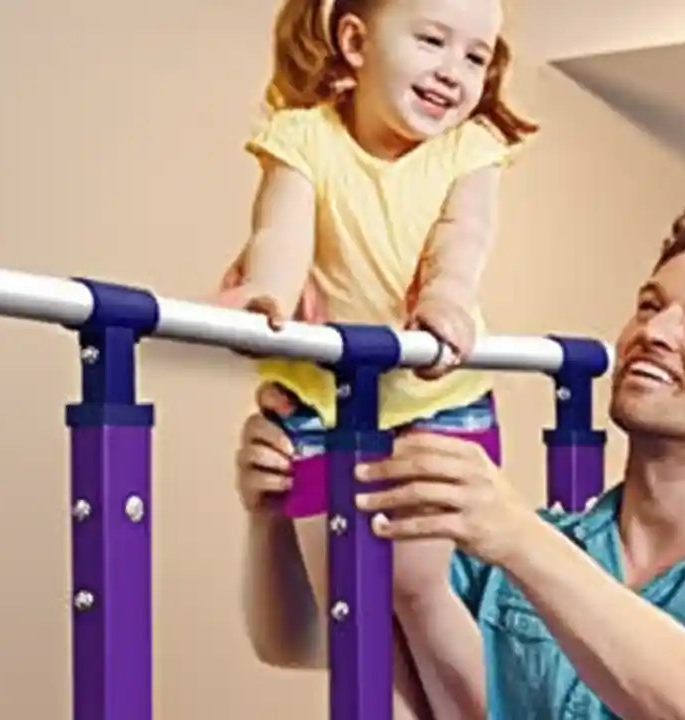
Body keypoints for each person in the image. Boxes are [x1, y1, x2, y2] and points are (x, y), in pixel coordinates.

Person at [234, 199, 685, 718]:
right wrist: (279, 513)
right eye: (650, 307)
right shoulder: (514, 548)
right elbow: (308, 641)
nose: (653, 332)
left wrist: (515, 537)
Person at [212, 0, 536, 639]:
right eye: (432, 42)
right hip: (318, 398)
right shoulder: (304, 137)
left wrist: (444, 297)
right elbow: (280, 232)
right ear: (356, 42)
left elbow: (463, 237)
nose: (454, 71)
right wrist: (266, 294)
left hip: (435, 394)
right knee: (348, 604)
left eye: (475, 57)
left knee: (416, 589)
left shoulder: (470, 149)